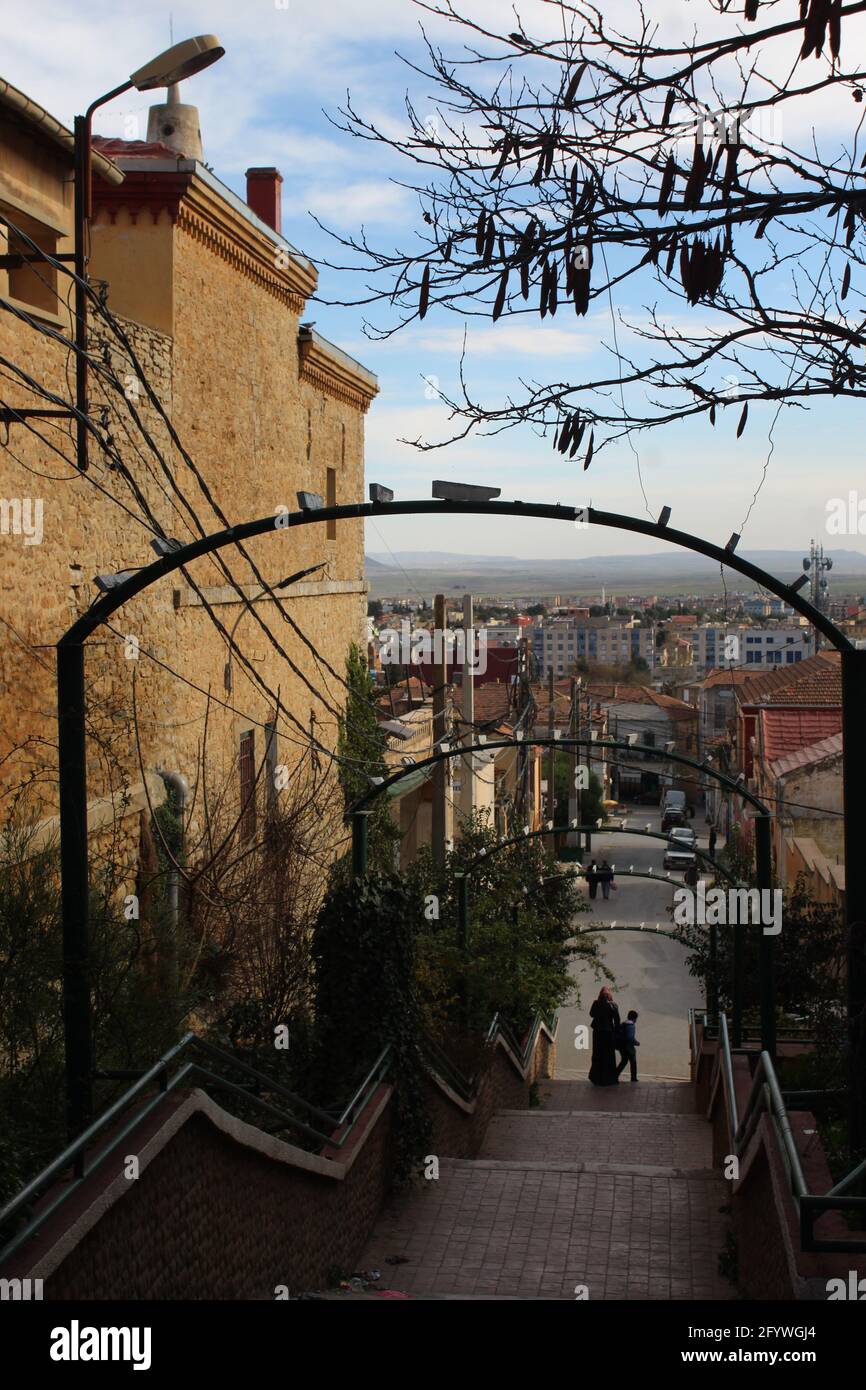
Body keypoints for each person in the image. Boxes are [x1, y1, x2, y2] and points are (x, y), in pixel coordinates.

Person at [589, 986, 621, 1086]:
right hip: (608, 1032)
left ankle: (596, 1077)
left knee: (597, 1054)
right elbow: (617, 1020)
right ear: (609, 995)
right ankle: (609, 1078)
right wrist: (617, 1032)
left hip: (598, 1032)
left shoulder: (596, 1003)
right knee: (609, 1055)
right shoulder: (613, 1005)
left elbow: (591, 1014)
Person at [616, 1010, 640, 1082]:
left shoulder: (623, 1024)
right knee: (633, 1062)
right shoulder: (631, 1026)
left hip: (621, 1047)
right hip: (628, 1047)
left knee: (624, 1061)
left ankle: (615, 1075)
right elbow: (630, 1038)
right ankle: (633, 1078)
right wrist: (636, 1043)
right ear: (634, 1018)